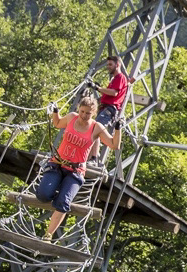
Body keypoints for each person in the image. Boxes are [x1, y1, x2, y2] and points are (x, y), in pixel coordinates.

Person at [35, 93, 121, 242]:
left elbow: (114, 145)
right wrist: (55, 112)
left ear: (93, 113)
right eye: (82, 111)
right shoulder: (72, 117)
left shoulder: (96, 127)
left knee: (63, 202)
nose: (84, 115)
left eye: (88, 113)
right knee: (42, 195)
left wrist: (118, 128)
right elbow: (57, 124)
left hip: (75, 171)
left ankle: (48, 235)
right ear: (78, 109)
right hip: (57, 164)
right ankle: (58, 191)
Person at [87, 55, 129, 163]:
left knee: (95, 130)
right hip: (106, 109)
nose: (108, 67)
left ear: (117, 64)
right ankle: (91, 156)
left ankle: (94, 158)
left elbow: (114, 93)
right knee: (93, 130)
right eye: (108, 65)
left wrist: (98, 88)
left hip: (109, 109)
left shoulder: (120, 77)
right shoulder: (116, 79)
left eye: (110, 64)